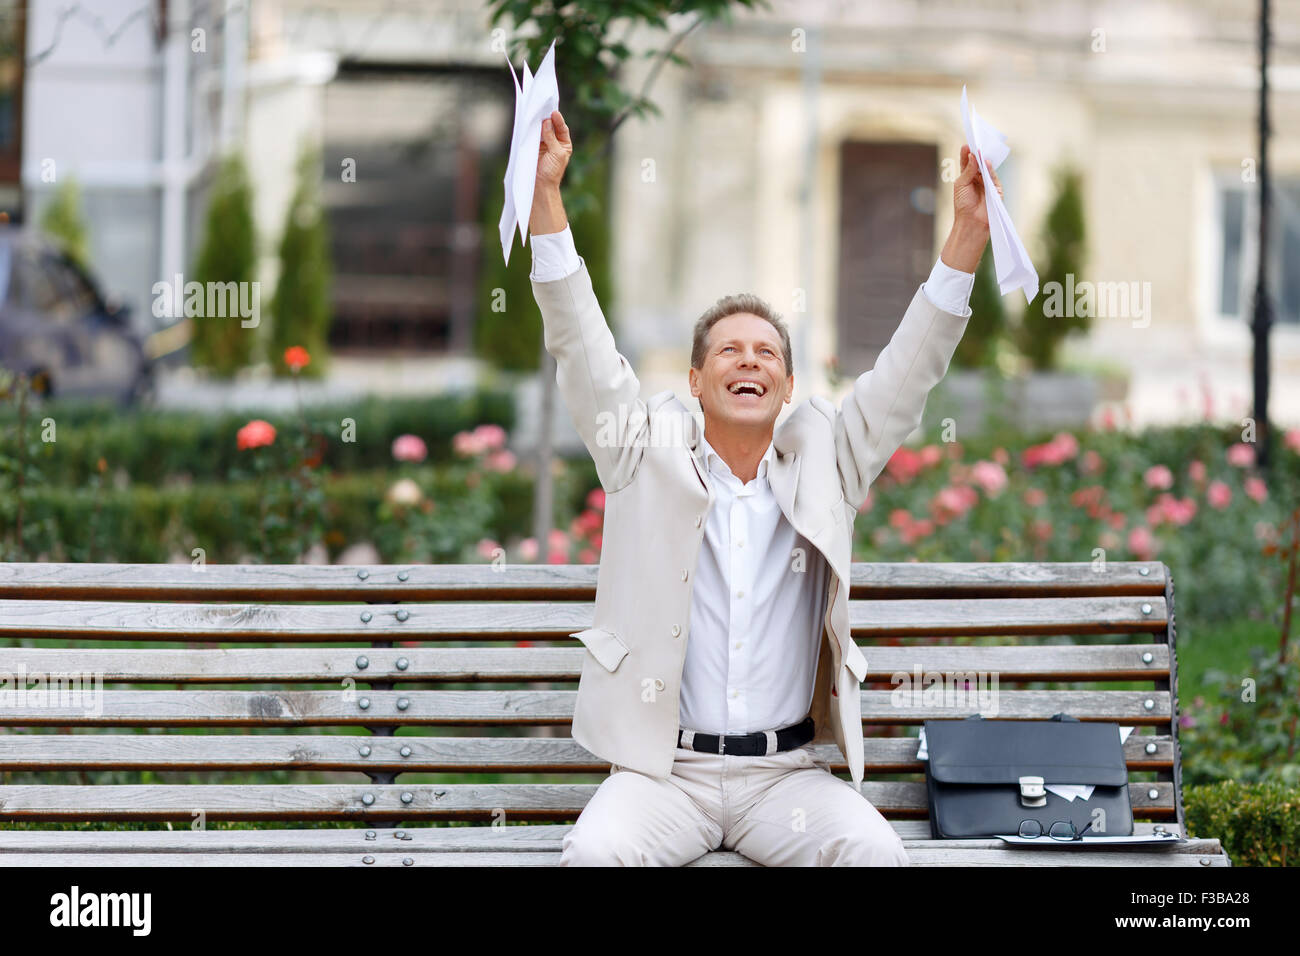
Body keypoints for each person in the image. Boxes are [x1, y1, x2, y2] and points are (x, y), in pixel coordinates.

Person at [527, 109, 999, 866]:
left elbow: (911, 371)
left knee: (879, 858)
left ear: (785, 385)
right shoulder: (638, 451)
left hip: (787, 780)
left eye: (767, 352)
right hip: (664, 775)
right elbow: (577, 338)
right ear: (694, 379)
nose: (749, 361)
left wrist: (967, 239)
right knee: (593, 856)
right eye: (729, 351)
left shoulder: (832, 459)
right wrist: (546, 196)